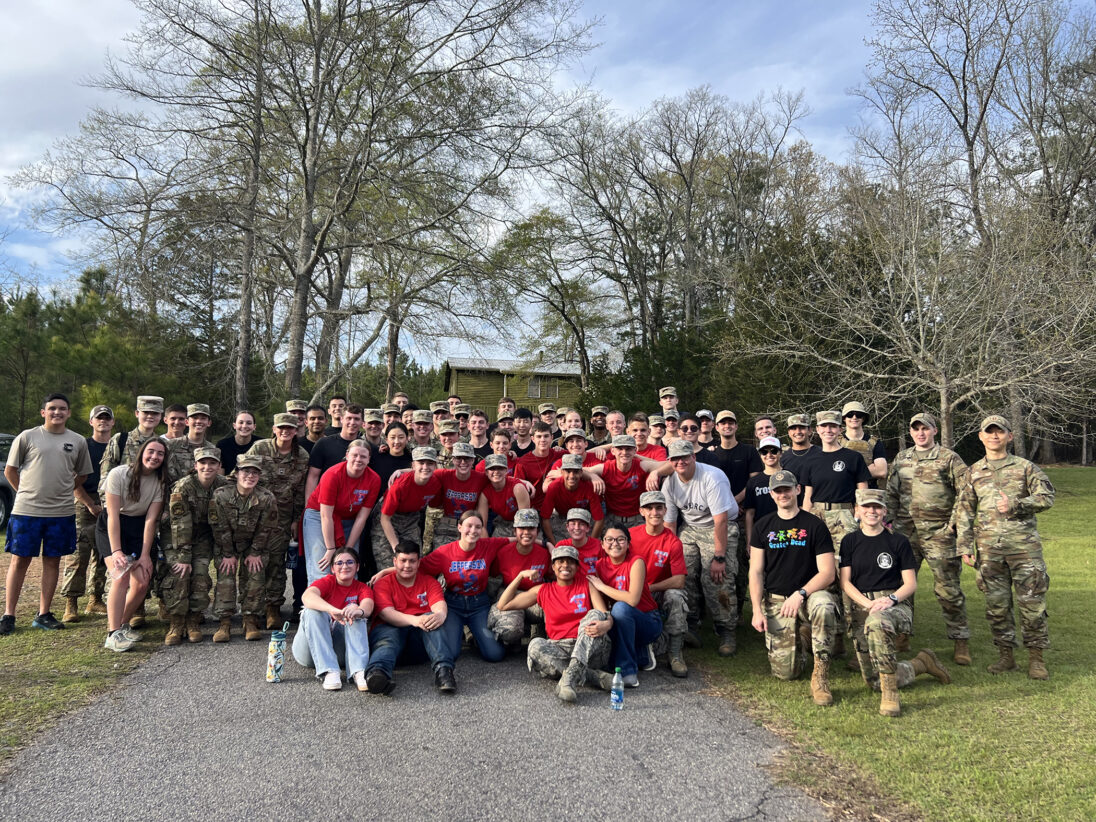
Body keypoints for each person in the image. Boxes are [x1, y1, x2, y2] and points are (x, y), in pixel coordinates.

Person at [955, 415, 1055, 679]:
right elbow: (964, 510)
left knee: (1032, 605)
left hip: (1024, 549)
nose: (994, 436)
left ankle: (1036, 659)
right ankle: (1006, 656)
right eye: (989, 432)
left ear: (1010, 436)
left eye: (1000, 432)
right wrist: (964, 545)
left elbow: (1047, 496)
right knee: (996, 606)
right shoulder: (974, 472)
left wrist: (1017, 504)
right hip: (989, 551)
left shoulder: (1025, 468)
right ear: (981, 436)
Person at [840, 489, 952, 717]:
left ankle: (890, 694)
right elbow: (845, 582)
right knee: (873, 680)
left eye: (877, 507)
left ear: (885, 511)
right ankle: (922, 663)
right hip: (863, 605)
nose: (872, 511)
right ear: (857, 511)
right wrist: (867, 604)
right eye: (866, 507)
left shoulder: (898, 541)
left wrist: (889, 600)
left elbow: (910, 584)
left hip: (894, 605)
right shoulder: (849, 541)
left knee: (878, 623)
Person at [2, 393, 95, 636]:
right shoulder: (27, 436)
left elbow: (82, 475)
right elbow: (11, 470)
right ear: (43, 412)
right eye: (52, 408)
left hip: (61, 512)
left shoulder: (77, 441)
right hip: (26, 511)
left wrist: (65, 487)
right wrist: (25, 491)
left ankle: (43, 614)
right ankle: (8, 614)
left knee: (52, 561)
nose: (57, 412)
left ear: (69, 413)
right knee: (19, 561)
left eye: (62, 408)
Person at [885, 412, 971, 664]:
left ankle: (960, 640)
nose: (920, 433)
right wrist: (887, 522)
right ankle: (902, 634)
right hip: (904, 533)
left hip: (939, 533)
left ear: (935, 431)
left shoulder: (949, 458)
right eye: (916, 429)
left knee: (948, 589)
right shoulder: (902, 458)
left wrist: (953, 523)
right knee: (901, 587)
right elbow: (891, 493)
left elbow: (965, 492)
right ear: (910, 432)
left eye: (925, 428)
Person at [748, 470, 838, 706]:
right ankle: (805, 639)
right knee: (786, 674)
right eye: (778, 490)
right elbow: (756, 571)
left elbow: (828, 572)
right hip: (777, 600)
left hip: (809, 595)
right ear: (771, 494)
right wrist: (757, 610)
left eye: (787, 489)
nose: (783, 494)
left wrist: (801, 594)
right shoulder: (762, 526)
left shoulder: (814, 525)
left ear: (797, 490)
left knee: (825, 606)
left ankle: (821, 676)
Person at [497, 544, 614, 702]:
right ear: (553, 566)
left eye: (570, 562)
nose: (565, 565)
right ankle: (592, 676)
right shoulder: (543, 590)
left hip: (591, 648)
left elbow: (605, 615)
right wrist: (520, 576)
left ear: (577, 566)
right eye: (560, 561)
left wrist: (607, 625)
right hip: (560, 649)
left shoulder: (586, 585)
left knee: (594, 614)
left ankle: (569, 677)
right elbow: (502, 605)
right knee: (535, 645)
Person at [661, 439, 738, 656]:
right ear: (670, 461)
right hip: (691, 527)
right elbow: (670, 523)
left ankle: (726, 629)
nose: (681, 462)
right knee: (683, 572)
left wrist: (719, 557)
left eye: (685, 457)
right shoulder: (670, 483)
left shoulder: (712, 477)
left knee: (718, 577)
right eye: (675, 458)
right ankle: (691, 624)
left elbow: (721, 520)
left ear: (693, 457)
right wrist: (670, 552)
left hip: (719, 526)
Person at [97, 437, 167, 650]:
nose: (154, 457)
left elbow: (150, 521)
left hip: (139, 528)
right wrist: (117, 550)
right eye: (151, 451)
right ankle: (112, 634)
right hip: (113, 525)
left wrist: (145, 555)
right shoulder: (119, 474)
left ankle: (122, 624)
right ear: (141, 452)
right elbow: (112, 516)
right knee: (121, 575)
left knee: (143, 581)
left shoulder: (159, 481)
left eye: (160, 454)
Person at [417, 511, 512, 665]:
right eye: (469, 526)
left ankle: (476, 636)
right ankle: (460, 632)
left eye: (478, 527)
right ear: (459, 527)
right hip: (453, 604)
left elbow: (517, 539)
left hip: (479, 604)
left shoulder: (488, 545)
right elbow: (417, 568)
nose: (473, 531)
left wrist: (545, 544)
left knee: (495, 654)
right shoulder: (444, 552)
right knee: (451, 654)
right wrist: (387, 571)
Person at [364, 540, 452, 695]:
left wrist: (440, 614)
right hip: (390, 635)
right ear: (394, 561)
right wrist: (415, 620)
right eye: (403, 561)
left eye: (412, 561)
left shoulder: (429, 582)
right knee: (389, 634)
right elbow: (386, 613)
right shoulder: (383, 583)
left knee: (432, 619)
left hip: (417, 643)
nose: (407, 565)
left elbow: (439, 604)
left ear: (418, 563)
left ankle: (444, 673)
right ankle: (377, 675)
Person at [246, 413, 310, 628]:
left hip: (282, 520)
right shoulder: (259, 449)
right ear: (274, 428)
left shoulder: (301, 455)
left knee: (276, 564)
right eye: (281, 428)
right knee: (253, 563)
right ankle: (251, 610)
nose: (285, 432)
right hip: (255, 517)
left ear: (296, 430)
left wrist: (296, 519)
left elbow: (301, 491)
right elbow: (243, 475)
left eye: (290, 428)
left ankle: (273, 607)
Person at [209, 454, 278, 642]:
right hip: (226, 543)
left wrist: (255, 552)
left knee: (255, 576)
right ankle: (224, 622)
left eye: (255, 472)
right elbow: (219, 527)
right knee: (226, 577)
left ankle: (250, 619)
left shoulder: (266, 497)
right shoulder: (221, 495)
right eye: (246, 471)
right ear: (237, 473)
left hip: (254, 544)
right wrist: (228, 554)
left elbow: (266, 528)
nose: (250, 476)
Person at [166, 446, 229, 644]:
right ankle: (176, 622)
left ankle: (193, 620)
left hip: (203, 536)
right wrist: (184, 556)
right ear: (195, 465)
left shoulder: (222, 485)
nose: (207, 467)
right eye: (203, 463)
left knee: (201, 573)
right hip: (177, 536)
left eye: (212, 463)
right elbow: (179, 523)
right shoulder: (183, 486)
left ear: (219, 466)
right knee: (180, 572)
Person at [60, 404, 115, 622]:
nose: (103, 421)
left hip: (109, 501)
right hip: (84, 501)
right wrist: (90, 504)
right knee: (78, 554)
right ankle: (71, 603)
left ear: (112, 422)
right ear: (91, 422)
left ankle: (95, 599)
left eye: (107, 418)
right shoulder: (82, 445)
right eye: (98, 418)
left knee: (104, 553)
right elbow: (72, 480)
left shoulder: (116, 446)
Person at [291, 547, 373, 691]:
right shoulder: (327, 581)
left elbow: (367, 607)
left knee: (356, 614)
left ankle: (359, 672)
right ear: (333, 568)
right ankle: (330, 671)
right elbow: (307, 597)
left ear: (357, 567)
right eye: (339, 563)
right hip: (309, 651)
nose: (345, 566)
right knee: (312, 611)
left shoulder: (362, 587)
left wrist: (357, 610)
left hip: (339, 651)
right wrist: (332, 610)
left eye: (350, 562)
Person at [589, 525, 662, 687]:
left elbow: (633, 600)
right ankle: (641, 654)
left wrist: (602, 587)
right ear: (602, 544)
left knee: (621, 608)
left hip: (647, 620)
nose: (615, 543)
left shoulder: (637, 562)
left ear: (628, 544)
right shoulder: (600, 565)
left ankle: (628, 672)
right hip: (621, 621)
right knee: (609, 618)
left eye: (620, 539)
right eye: (609, 539)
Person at [301, 440, 380, 584]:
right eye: (354, 455)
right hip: (319, 516)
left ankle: (347, 604)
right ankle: (317, 605)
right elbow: (326, 515)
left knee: (349, 563)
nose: (358, 459)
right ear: (347, 455)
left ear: (369, 459)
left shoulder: (374, 479)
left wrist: (348, 549)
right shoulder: (333, 474)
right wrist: (331, 548)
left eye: (363, 456)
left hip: (350, 518)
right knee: (323, 564)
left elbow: (362, 518)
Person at [629, 491, 689, 677]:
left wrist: (650, 588)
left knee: (676, 597)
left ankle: (675, 652)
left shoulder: (673, 542)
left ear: (665, 510)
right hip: (633, 590)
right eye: (649, 508)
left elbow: (679, 580)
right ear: (641, 511)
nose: (654, 512)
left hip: (656, 590)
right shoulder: (630, 536)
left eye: (658, 508)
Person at [487, 508, 550, 648]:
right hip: (510, 595)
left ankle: (539, 630)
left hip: (534, 598)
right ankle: (514, 636)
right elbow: (493, 578)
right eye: (522, 528)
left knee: (554, 606)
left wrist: (550, 546)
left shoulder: (545, 554)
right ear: (514, 531)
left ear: (537, 531)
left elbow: (553, 579)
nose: (526, 532)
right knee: (510, 631)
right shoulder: (504, 552)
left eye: (531, 528)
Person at [582, 435, 669, 532]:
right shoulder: (606, 468)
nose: (624, 452)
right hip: (612, 520)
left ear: (635, 450)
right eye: (620, 449)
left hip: (638, 519)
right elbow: (579, 470)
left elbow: (671, 464)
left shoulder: (641, 465)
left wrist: (655, 472)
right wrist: (592, 476)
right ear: (613, 451)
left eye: (628, 449)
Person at [377, 447, 443, 566]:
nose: (425, 467)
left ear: (435, 466)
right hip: (388, 517)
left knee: (414, 560)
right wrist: (396, 548)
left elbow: (435, 505)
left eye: (430, 463)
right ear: (413, 465)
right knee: (389, 562)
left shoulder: (436, 483)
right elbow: (384, 519)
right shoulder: (400, 485)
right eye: (421, 463)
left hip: (411, 518)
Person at [305, 404, 365, 501]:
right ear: (341, 419)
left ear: (362, 422)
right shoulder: (324, 443)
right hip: (324, 501)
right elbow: (313, 476)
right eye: (348, 418)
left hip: (351, 503)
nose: (352, 422)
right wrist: (308, 506)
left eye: (356, 419)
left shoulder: (365, 447)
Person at [540, 454, 604, 543]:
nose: (572, 476)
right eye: (568, 471)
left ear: (581, 473)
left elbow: (599, 519)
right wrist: (554, 544)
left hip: (583, 518)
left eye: (576, 472)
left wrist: (592, 543)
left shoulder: (588, 487)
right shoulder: (554, 487)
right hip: (562, 518)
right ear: (562, 472)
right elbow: (545, 518)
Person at [480, 454, 531, 537]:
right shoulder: (485, 494)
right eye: (492, 468)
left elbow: (525, 519)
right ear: (486, 472)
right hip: (503, 521)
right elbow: (482, 525)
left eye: (500, 468)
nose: (496, 471)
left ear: (506, 470)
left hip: (525, 523)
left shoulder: (518, 488)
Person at [840, 401, 888, 486]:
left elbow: (882, 472)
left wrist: (847, 471)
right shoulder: (836, 441)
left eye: (858, 414)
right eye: (850, 414)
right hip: (843, 494)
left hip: (869, 495)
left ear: (863, 418)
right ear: (844, 418)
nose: (854, 417)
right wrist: (869, 470)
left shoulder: (875, 443)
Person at [554, 508, 604, 576]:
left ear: (588, 528)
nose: (577, 528)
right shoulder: (561, 546)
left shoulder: (599, 546)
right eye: (573, 524)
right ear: (567, 527)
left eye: (581, 524)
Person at [214, 410, 257, 475]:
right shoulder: (222, 445)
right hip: (228, 483)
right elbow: (220, 475)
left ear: (254, 427)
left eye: (249, 423)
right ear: (234, 425)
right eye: (241, 422)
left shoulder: (260, 444)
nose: (244, 426)